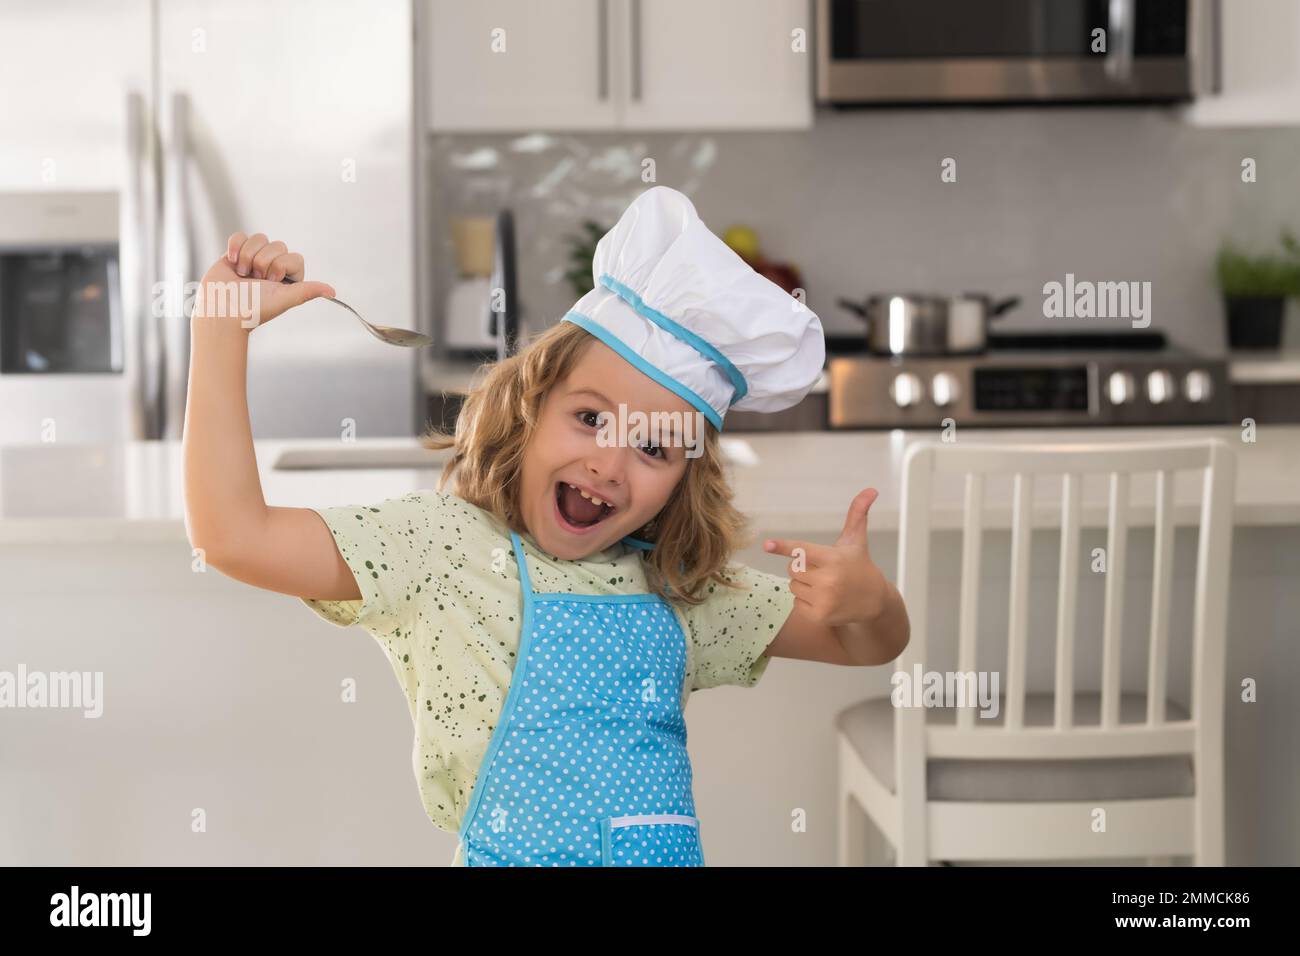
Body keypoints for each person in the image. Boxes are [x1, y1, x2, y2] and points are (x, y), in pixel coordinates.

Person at [183, 185, 909, 867]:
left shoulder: (682, 588)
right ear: (527, 406)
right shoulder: (438, 548)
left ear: (685, 481)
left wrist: (874, 604)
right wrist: (220, 331)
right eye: (590, 417)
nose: (607, 463)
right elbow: (232, 535)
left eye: (653, 445)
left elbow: (865, 644)